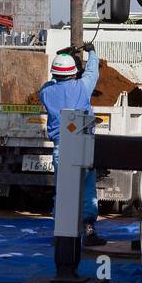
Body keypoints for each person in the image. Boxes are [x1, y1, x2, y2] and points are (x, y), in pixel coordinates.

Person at [39, 44, 102, 245]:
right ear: (74, 73)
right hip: (83, 145)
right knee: (88, 190)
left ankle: (61, 234)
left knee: (64, 191)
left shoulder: (47, 93)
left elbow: (50, 84)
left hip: (61, 148)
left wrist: (65, 58)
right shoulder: (83, 86)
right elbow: (92, 72)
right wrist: (91, 52)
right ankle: (89, 231)